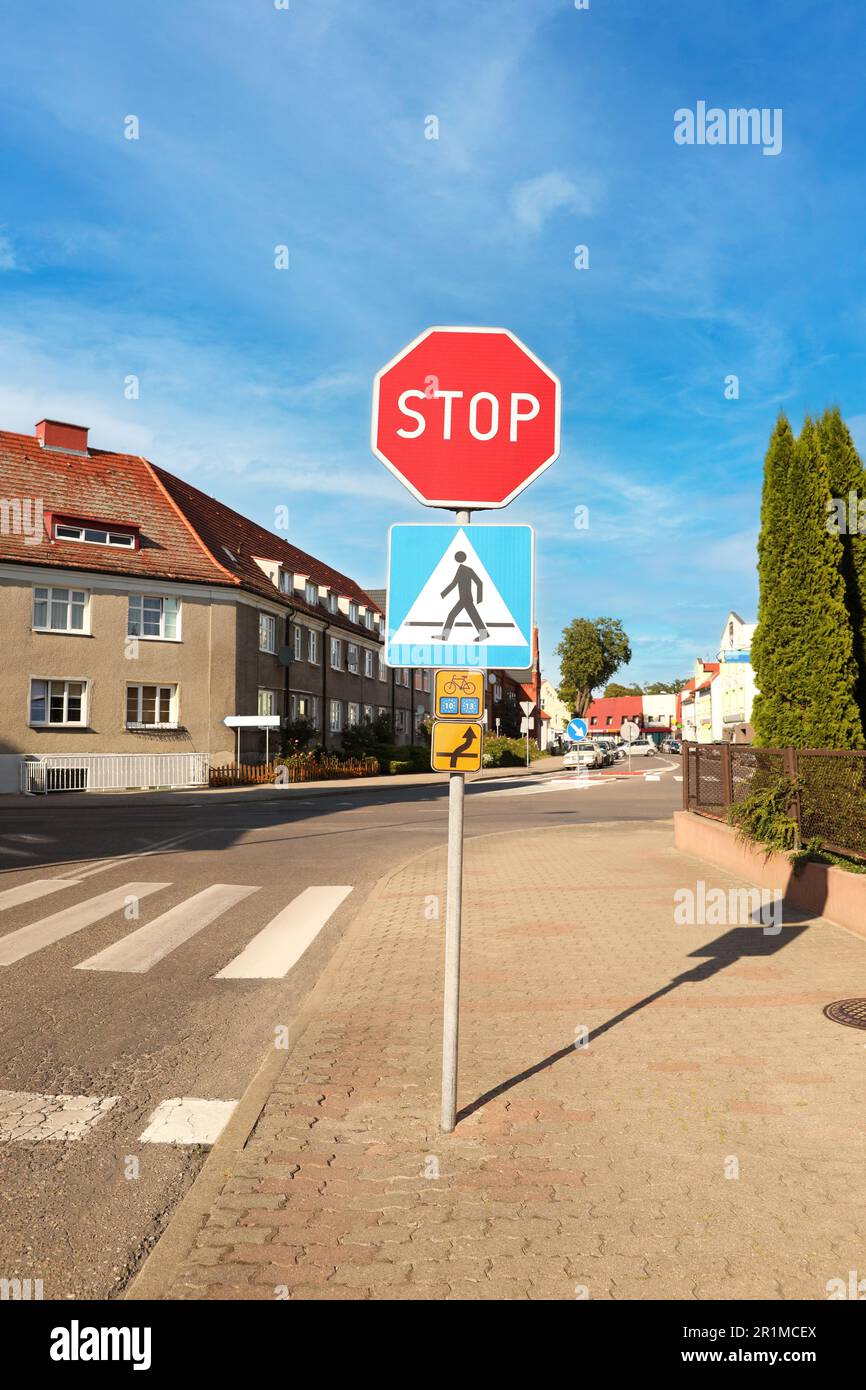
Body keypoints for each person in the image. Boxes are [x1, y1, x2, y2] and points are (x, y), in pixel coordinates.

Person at [439, 550, 489, 642]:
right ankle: (484, 634)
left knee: (452, 615)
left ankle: (444, 636)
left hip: (464, 599)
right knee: (474, 616)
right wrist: (479, 599)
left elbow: (454, 584)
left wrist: (443, 594)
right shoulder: (467, 569)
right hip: (466, 598)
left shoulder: (462, 569)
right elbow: (479, 583)